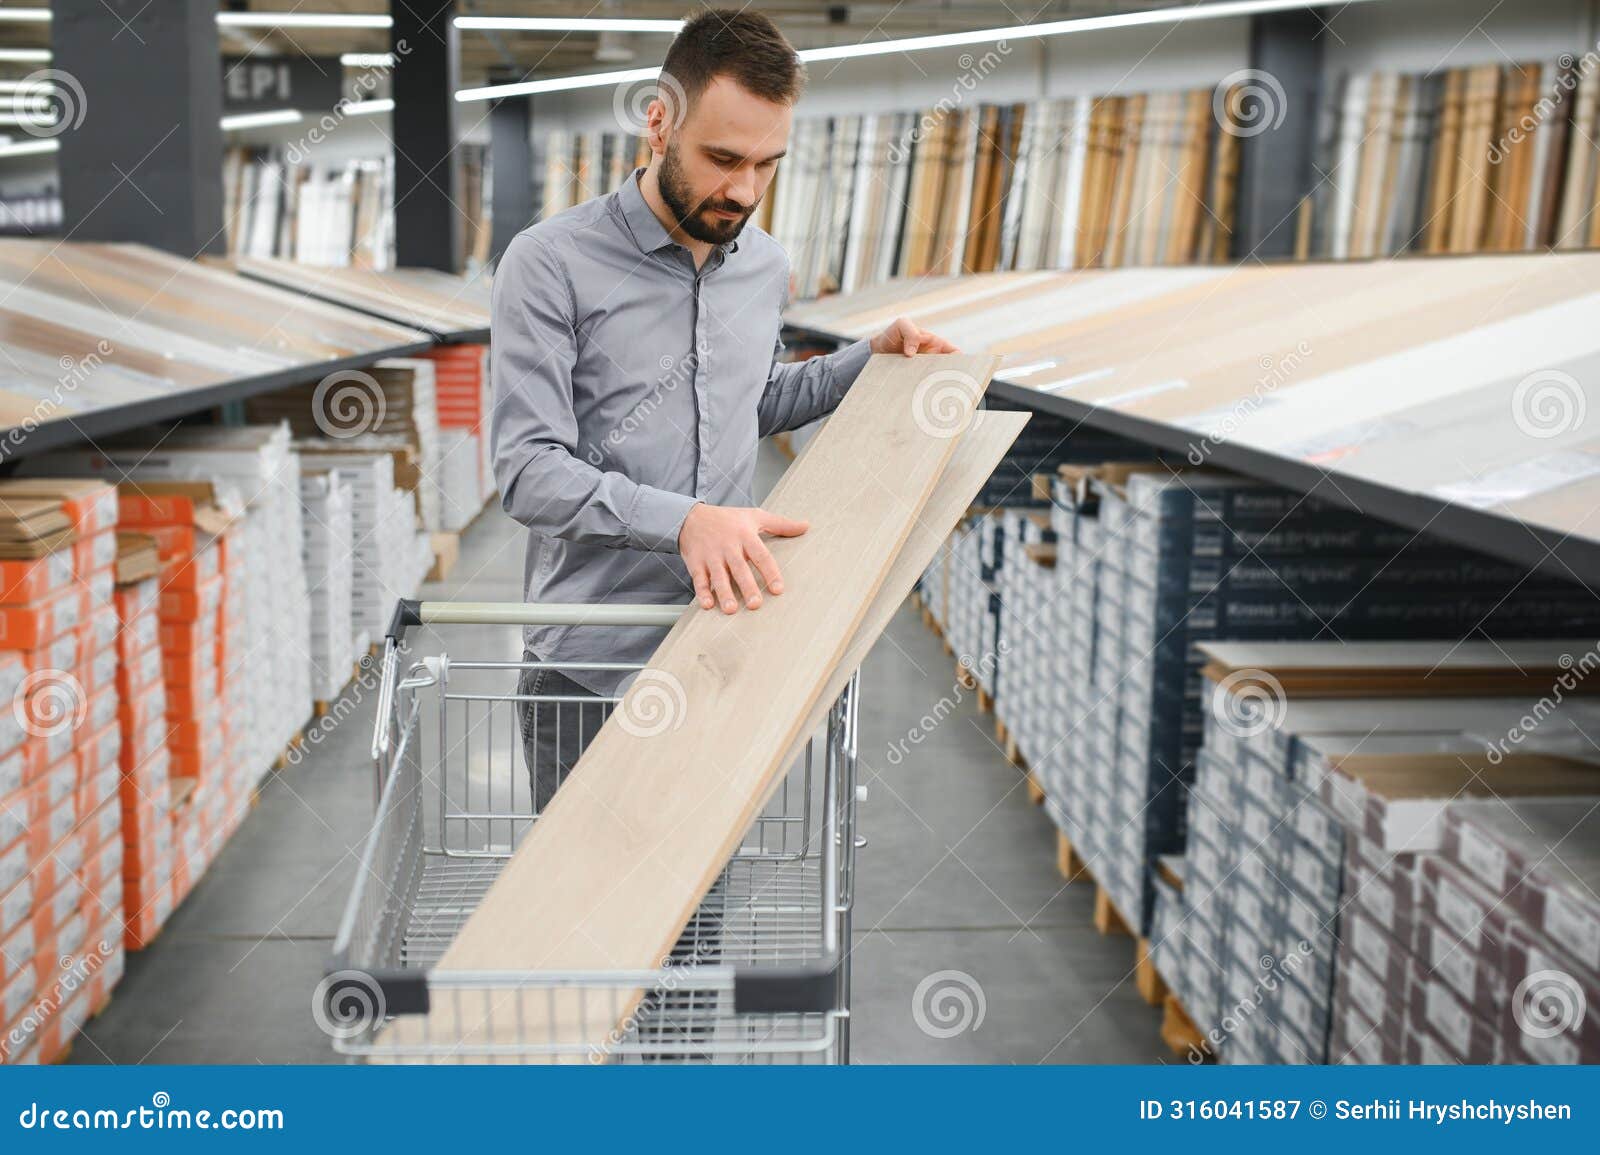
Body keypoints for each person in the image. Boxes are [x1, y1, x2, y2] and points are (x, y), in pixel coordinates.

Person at [491, 8, 957, 813]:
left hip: (722, 651)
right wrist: (685, 522)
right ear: (658, 123)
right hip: (590, 670)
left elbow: (753, 401)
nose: (743, 190)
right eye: (723, 159)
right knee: (586, 897)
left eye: (767, 165)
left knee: (706, 898)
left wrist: (868, 358)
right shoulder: (549, 264)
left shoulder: (763, 264)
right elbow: (528, 471)